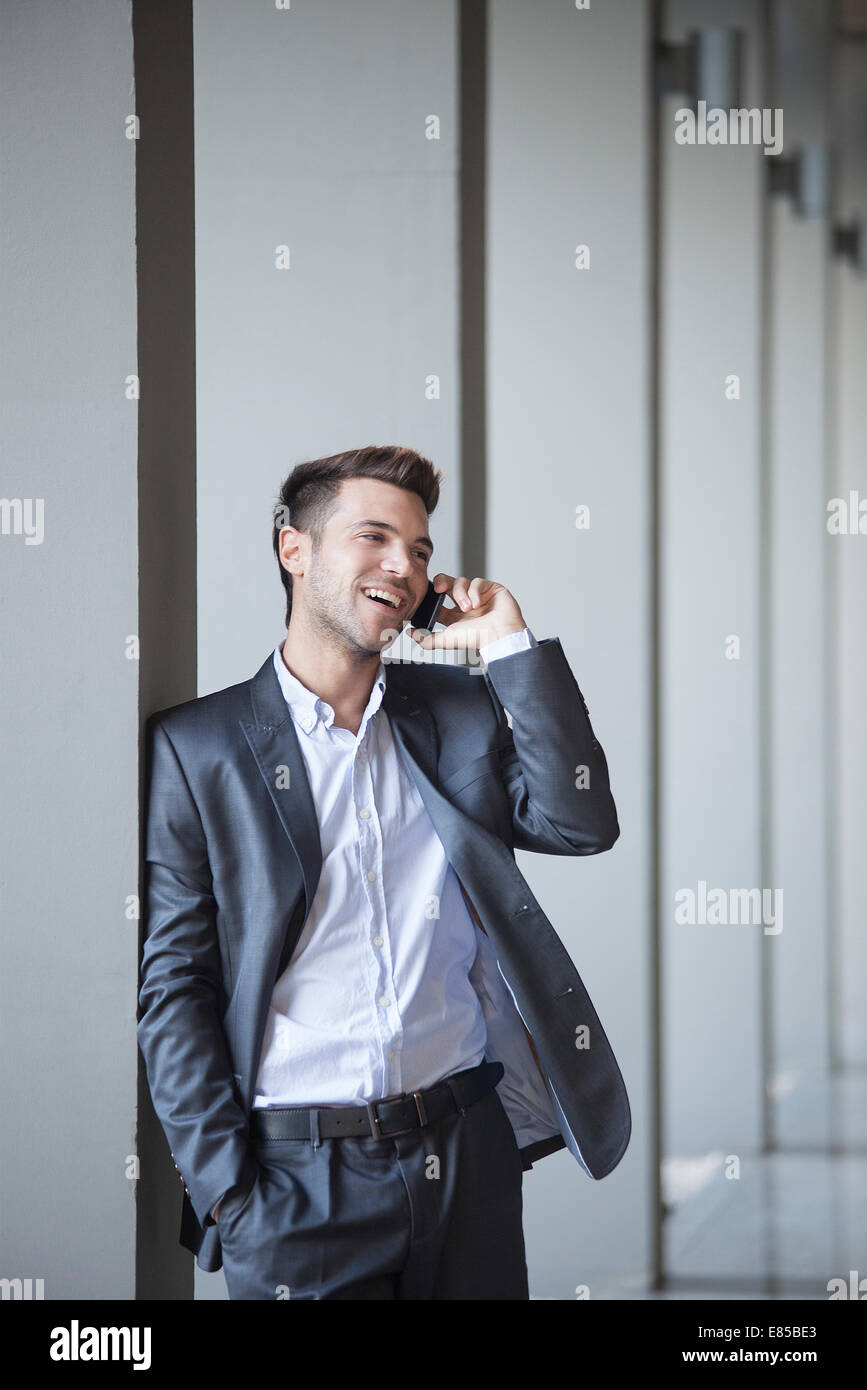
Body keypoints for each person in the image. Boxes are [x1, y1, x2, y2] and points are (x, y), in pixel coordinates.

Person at [137, 444, 630, 1299]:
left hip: (467, 1151)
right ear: (296, 549)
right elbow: (175, 981)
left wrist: (509, 644)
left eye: (421, 549)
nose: (403, 566)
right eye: (374, 537)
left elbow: (580, 821)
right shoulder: (200, 747)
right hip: (296, 1183)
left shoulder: (449, 717)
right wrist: (228, 1193)